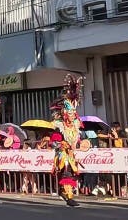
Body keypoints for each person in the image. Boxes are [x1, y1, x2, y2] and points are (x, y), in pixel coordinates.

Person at [49, 75, 82, 207]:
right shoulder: (59, 126)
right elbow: (53, 142)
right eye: (69, 113)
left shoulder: (76, 126)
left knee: (72, 173)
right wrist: (61, 144)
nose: (72, 115)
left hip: (71, 153)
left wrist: (81, 144)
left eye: (73, 113)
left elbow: (78, 140)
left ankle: (65, 192)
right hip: (63, 154)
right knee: (67, 170)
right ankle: (69, 197)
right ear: (64, 114)